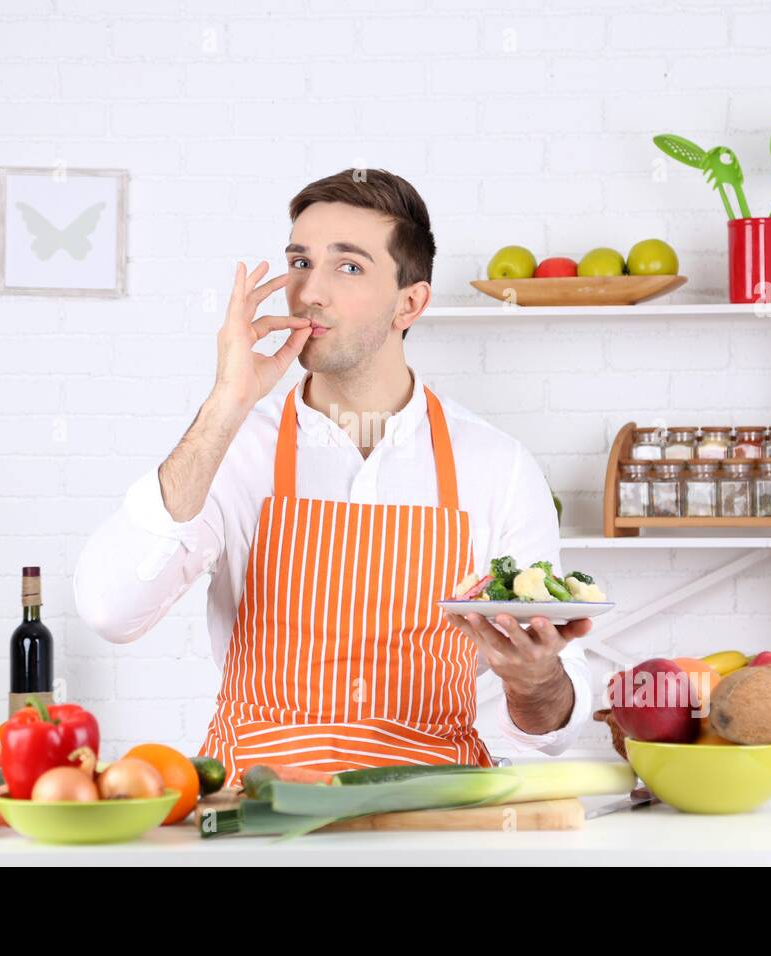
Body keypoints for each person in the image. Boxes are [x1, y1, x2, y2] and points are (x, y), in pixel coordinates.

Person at [74, 168, 594, 785]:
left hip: (430, 821)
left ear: (411, 303)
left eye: (348, 267)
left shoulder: (498, 466)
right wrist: (226, 403)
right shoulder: (231, 449)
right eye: (299, 261)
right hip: (258, 813)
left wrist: (534, 679)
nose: (308, 292)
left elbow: (550, 724)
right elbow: (111, 612)